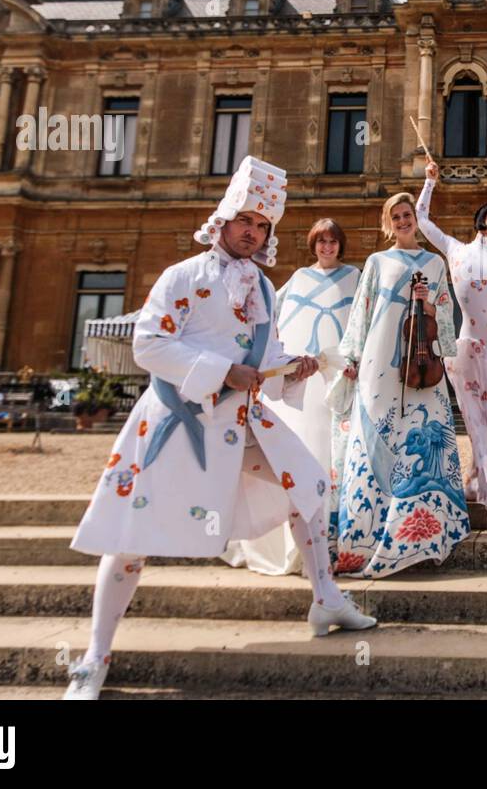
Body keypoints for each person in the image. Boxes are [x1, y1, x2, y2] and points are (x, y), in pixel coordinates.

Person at [65, 157, 374, 700]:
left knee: (309, 486)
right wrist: (221, 371)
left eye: (263, 226)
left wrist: (290, 367)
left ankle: (326, 595)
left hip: (240, 420)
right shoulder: (181, 276)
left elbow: (264, 354)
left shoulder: (264, 287)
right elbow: (149, 344)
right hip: (177, 423)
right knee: (130, 541)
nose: (253, 232)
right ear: (225, 221)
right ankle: (94, 658)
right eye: (245, 222)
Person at [324, 192, 470, 576]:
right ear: (388, 222)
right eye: (397, 216)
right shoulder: (376, 262)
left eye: (408, 214)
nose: (404, 220)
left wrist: (428, 304)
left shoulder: (435, 263)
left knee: (423, 439)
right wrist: (351, 357)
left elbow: (447, 314)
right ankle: (367, 538)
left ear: (416, 219)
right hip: (379, 364)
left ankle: (420, 538)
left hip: (423, 364)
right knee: (376, 436)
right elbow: (363, 310)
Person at [222, 218, 360, 576]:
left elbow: (365, 323)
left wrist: (356, 360)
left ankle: (330, 540)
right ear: (313, 245)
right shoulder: (297, 278)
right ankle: (288, 539)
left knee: (330, 450)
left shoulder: (355, 277)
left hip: (335, 375)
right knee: (293, 447)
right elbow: (266, 314)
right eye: (321, 241)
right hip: (297, 374)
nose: (326, 247)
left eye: (332, 241)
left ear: (340, 245)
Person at [418, 152, 487, 534]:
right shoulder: (456, 250)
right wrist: (430, 180)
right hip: (469, 350)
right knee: (479, 425)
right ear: (481, 219)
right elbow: (421, 220)